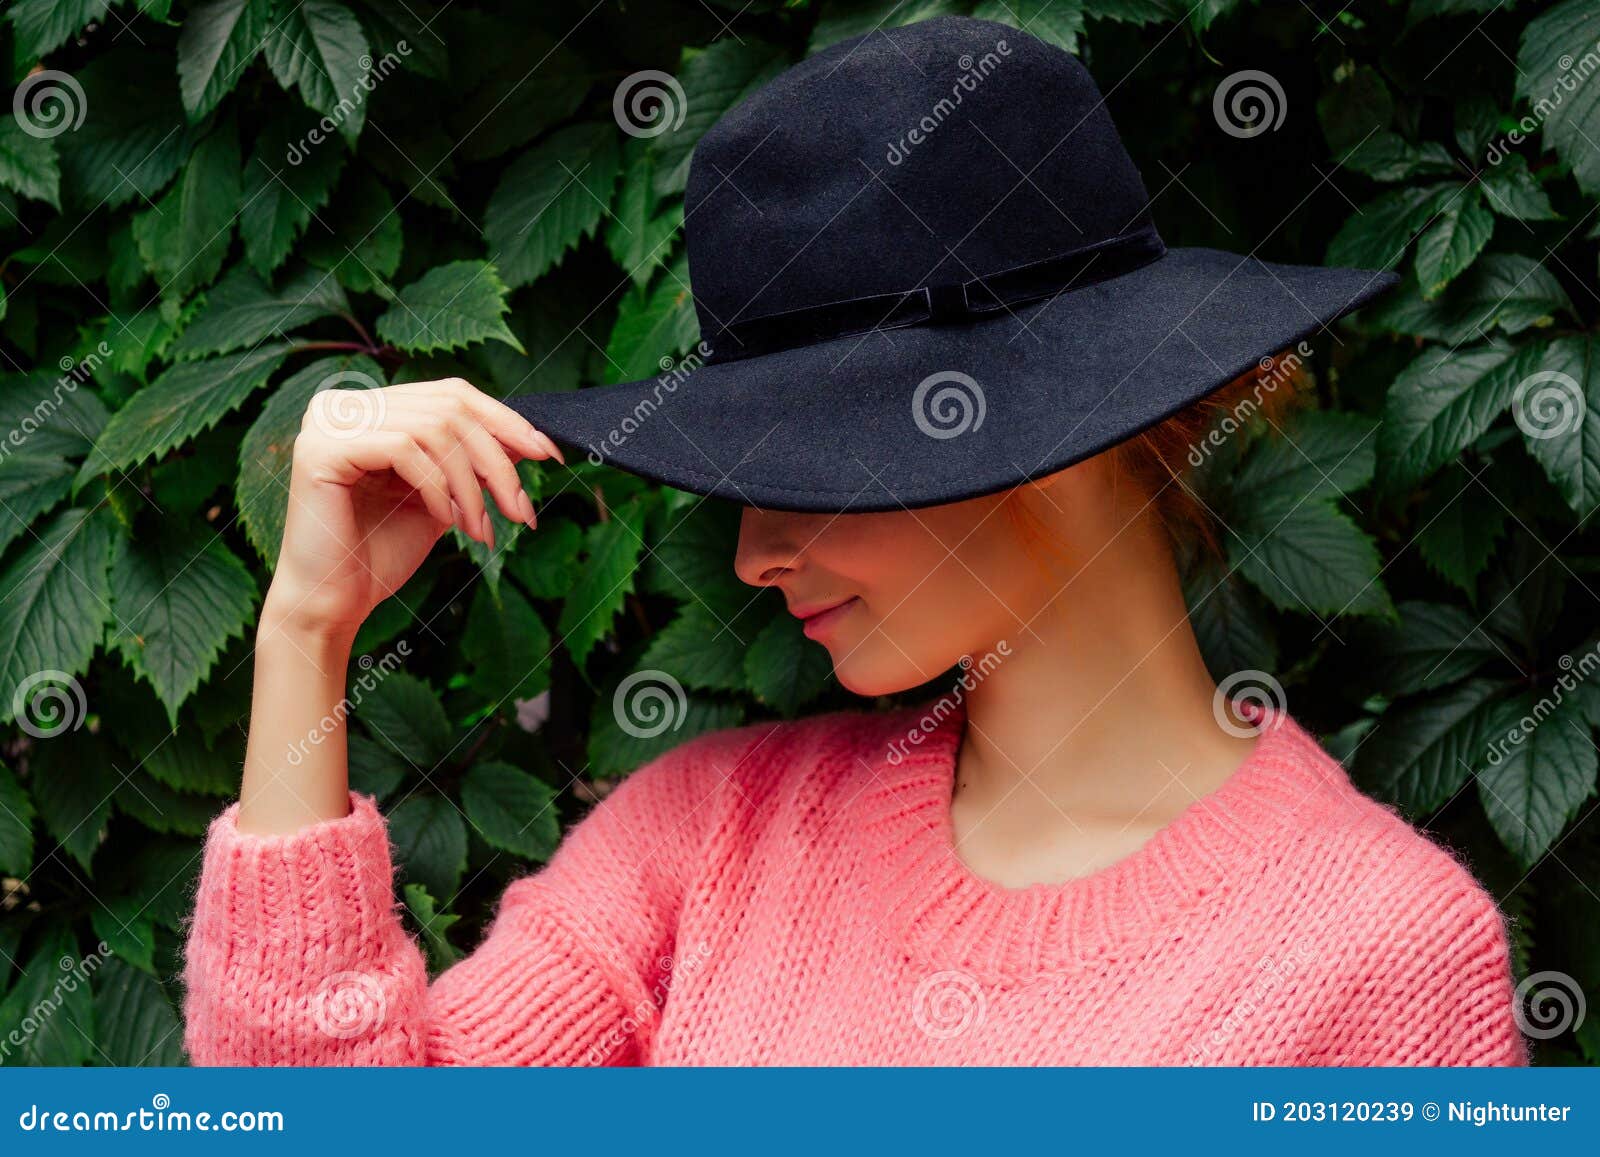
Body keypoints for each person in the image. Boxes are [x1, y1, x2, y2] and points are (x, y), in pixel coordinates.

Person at [181, 16, 1528, 1066]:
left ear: (1053, 435)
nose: (754, 554)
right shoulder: (701, 841)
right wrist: (307, 634)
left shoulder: (1380, 956)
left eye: (817, 470)